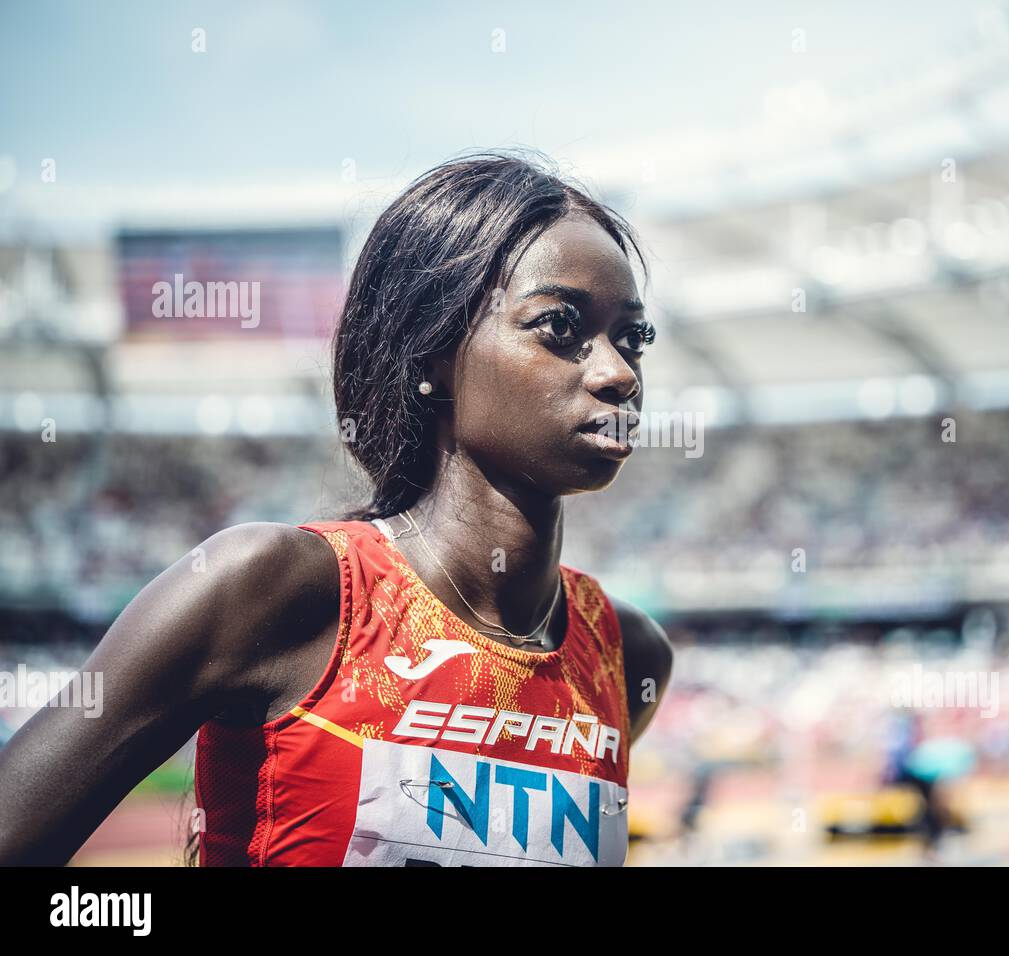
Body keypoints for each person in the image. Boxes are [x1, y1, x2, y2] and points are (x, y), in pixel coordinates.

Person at [0, 150, 674, 867]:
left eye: (633, 337)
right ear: (432, 352)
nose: (618, 373)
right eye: (558, 326)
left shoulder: (626, 656)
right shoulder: (270, 591)